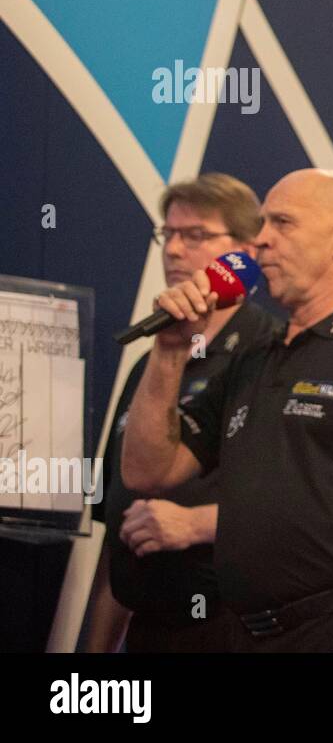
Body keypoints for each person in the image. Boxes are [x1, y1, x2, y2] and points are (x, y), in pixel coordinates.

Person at [120, 168, 333, 652]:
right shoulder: (256, 357)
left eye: (282, 223)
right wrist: (170, 352)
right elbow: (147, 472)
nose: (259, 242)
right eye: (260, 226)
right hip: (243, 636)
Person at [84, 173, 276, 652]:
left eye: (195, 236)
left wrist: (196, 524)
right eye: (167, 234)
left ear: (244, 253)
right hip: (148, 630)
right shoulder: (152, 366)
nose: (172, 250)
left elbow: (302, 513)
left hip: (230, 631)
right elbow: (117, 536)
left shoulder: (272, 356)